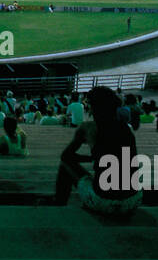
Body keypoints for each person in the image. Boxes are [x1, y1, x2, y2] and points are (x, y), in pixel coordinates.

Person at [53, 86, 139, 214]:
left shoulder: (88, 128)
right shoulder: (127, 129)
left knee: (65, 165)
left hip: (103, 201)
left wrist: (91, 152)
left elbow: (65, 156)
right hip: (132, 200)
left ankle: (59, 204)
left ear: (93, 107)